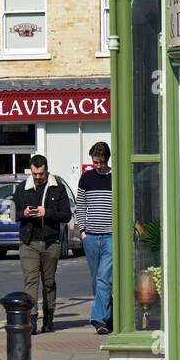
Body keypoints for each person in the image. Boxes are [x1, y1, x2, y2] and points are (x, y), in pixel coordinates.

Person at [11, 155, 72, 334]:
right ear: (31, 171)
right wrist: (24, 212)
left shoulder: (57, 188)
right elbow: (13, 214)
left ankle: (49, 318)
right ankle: (32, 319)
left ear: (46, 170)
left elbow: (66, 215)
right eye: (35, 173)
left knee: (49, 282)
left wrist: (47, 213)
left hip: (50, 242)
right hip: (28, 242)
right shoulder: (23, 188)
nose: (38, 177)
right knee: (30, 281)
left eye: (41, 173)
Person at [78, 141, 115, 335]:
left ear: (107, 160)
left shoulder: (115, 177)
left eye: (100, 162)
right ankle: (109, 317)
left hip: (110, 236)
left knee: (103, 278)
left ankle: (98, 319)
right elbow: (81, 205)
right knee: (97, 279)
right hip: (91, 236)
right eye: (95, 162)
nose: (98, 166)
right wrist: (82, 231)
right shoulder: (86, 178)